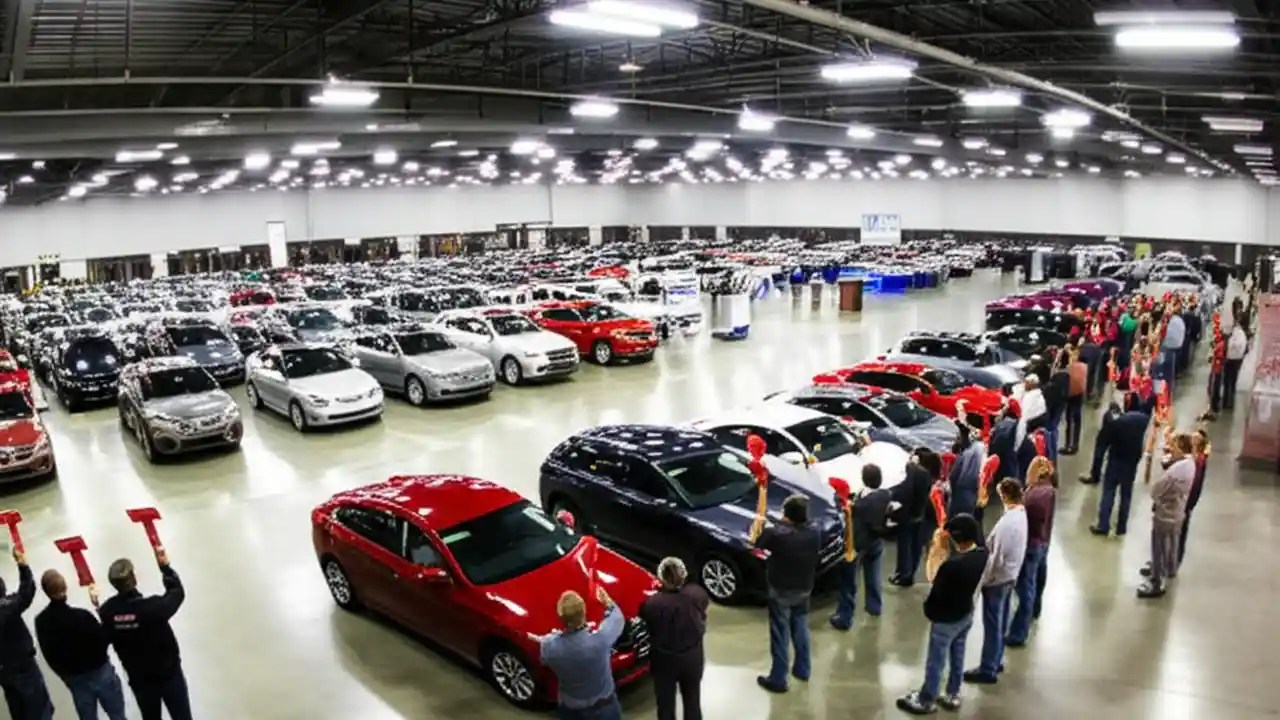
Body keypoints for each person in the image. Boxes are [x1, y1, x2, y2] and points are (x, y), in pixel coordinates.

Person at [895, 514, 989, 715]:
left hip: (946, 619)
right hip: (965, 613)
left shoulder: (951, 566)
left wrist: (937, 550)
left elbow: (934, 582)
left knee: (935, 660)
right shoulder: (982, 555)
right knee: (958, 654)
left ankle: (926, 699)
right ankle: (953, 694)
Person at [99, 551, 191, 720]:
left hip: (140, 681)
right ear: (133, 579)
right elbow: (176, 594)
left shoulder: (107, 612)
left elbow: (103, 638)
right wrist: (166, 569)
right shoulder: (153, 608)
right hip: (168, 674)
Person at [34, 570, 128, 720]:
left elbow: (49, 655)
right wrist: (99, 608)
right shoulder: (83, 617)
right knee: (117, 715)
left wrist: (65, 676)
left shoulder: (41, 621)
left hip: (75, 679)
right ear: (65, 588)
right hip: (100, 672)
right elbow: (104, 638)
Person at [751, 494, 820, 693]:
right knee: (800, 627)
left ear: (787, 516)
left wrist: (762, 522)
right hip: (804, 587)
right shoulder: (814, 532)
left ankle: (778, 678)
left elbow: (757, 542)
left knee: (780, 633)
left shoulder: (777, 535)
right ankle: (803, 669)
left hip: (780, 589)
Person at [964, 479, 1028, 685]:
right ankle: (996, 659)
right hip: (1010, 576)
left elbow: (995, 558)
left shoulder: (1007, 524)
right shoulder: (1020, 516)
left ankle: (988, 668)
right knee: (1001, 621)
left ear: (1004, 495)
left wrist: (983, 580)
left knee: (992, 625)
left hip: (997, 580)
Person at [541, 586, 626, 719]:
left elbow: (544, 659)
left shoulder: (550, 646)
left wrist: (555, 636)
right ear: (584, 612)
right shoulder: (600, 640)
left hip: (572, 711)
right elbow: (617, 619)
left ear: (561, 617)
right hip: (605, 708)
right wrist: (607, 601)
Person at [639, 558, 708, 720]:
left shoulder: (653, 604)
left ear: (661, 578)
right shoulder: (696, 594)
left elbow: (645, 616)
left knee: (665, 705)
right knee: (692, 702)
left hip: (664, 661)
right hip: (692, 658)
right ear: (683, 576)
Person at [831, 464, 891, 630]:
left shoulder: (863, 505)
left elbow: (850, 510)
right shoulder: (886, 495)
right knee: (874, 576)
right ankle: (874, 606)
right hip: (876, 542)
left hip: (857, 545)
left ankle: (844, 617)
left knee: (849, 582)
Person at [1139, 433, 1196, 599]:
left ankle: (1157, 580)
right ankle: (1170, 568)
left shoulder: (1177, 471)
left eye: (1174, 446)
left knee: (1159, 546)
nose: (1172, 449)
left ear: (1180, 448)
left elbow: (1159, 489)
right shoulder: (1189, 464)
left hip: (1166, 514)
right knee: (1172, 542)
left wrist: (1155, 495)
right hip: (1178, 512)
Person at [1006, 458, 1056, 647]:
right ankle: (1035, 610)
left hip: (1030, 545)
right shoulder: (1049, 489)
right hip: (1043, 542)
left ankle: (1018, 633)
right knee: (1039, 578)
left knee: (1025, 587)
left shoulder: (1034, 497)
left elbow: (1026, 521)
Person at [1088, 393, 1152, 537]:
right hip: (1131, 463)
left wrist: (1096, 469)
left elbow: (1101, 447)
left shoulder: (1114, 423)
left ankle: (1103, 525)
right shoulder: (1142, 420)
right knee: (1126, 495)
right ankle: (1121, 527)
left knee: (1108, 492)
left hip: (1115, 460)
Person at [0, 548, 53, 720]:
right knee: (40, 709)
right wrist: (23, 566)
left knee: (19, 710)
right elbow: (26, 593)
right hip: (23, 667)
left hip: (4, 670)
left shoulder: (7, 607)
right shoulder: (6, 609)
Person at [890, 449, 939, 588]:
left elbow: (904, 493)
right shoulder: (926, 475)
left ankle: (904, 575)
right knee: (915, 546)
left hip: (907, 515)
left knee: (905, 545)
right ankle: (909, 573)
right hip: (919, 514)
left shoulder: (910, 473)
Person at [1177, 431, 1209, 569]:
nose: (1193, 439)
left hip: (1185, 502)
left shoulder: (1199, 461)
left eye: (1196, 438)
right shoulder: (1190, 458)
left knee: (1179, 531)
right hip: (1181, 500)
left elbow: (1196, 485)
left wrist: (1189, 504)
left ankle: (1175, 559)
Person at [947, 427, 984, 520]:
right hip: (973, 493)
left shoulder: (965, 454)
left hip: (961, 491)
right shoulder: (983, 452)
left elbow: (953, 475)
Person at [1062, 347, 1088, 454]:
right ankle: (1073, 445)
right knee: (1075, 421)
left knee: (1070, 420)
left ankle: (1069, 445)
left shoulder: (1071, 367)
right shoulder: (1084, 366)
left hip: (1072, 396)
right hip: (1079, 395)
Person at [1222, 319, 1248, 410]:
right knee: (1232, 382)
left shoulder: (1237, 333)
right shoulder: (1241, 334)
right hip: (1237, 360)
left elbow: (1234, 345)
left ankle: (1227, 402)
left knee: (1228, 381)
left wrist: (1229, 351)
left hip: (1231, 360)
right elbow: (1245, 347)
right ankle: (1230, 401)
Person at [1159, 308, 1186, 394]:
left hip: (1169, 347)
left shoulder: (1172, 322)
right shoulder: (1179, 321)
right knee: (1172, 369)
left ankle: (1168, 389)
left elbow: (1167, 335)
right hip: (1177, 346)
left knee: (1167, 371)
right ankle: (1170, 388)